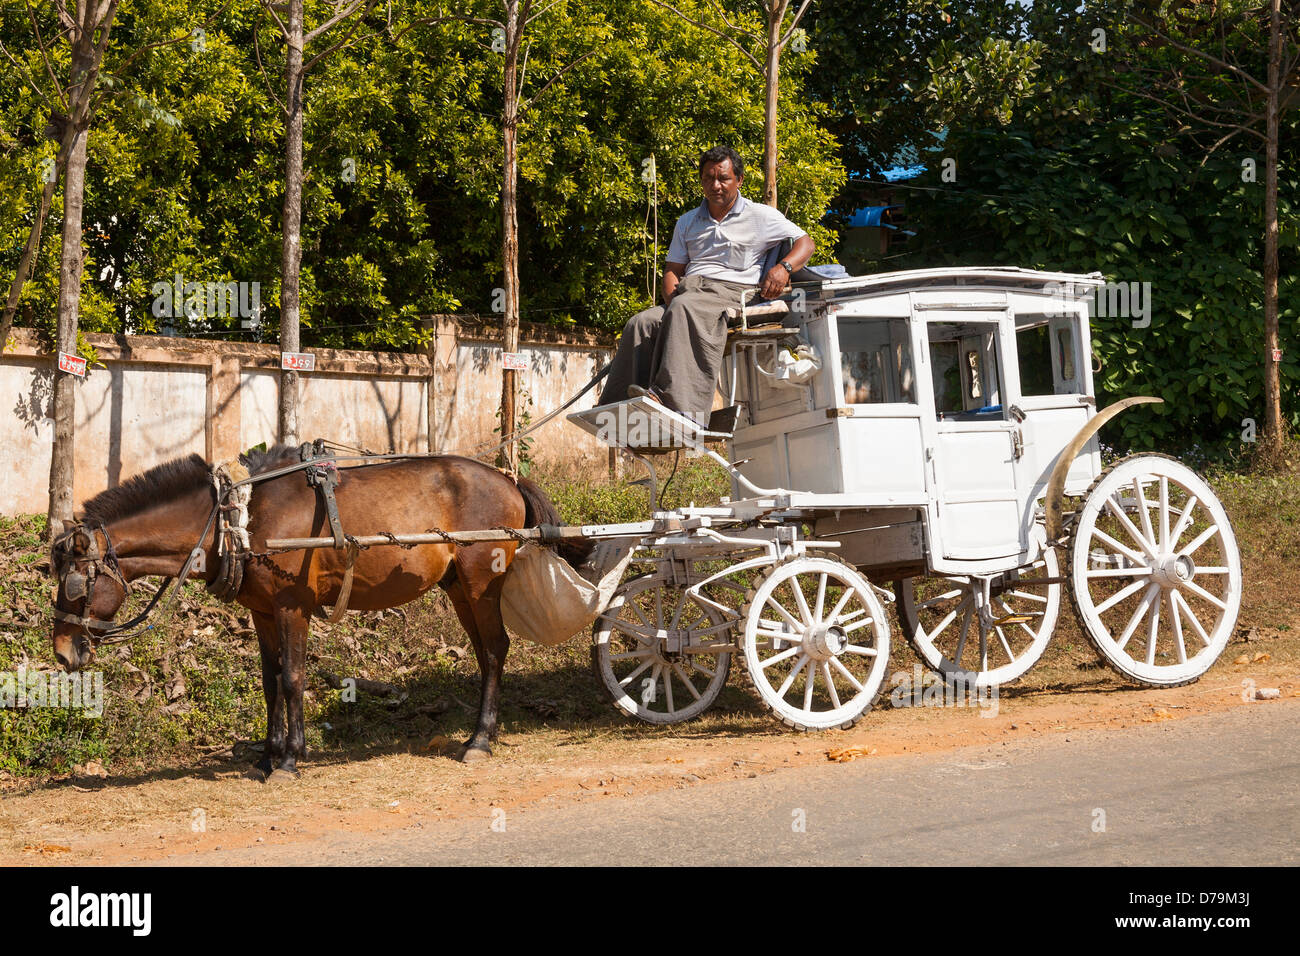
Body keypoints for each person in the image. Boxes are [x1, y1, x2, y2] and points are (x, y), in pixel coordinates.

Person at [598, 145, 815, 425]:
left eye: (723, 178)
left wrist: (783, 268)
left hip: (732, 292)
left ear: (739, 179)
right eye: (708, 178)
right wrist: (670, 295)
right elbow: (672, 270)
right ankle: (619, 411)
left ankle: (675, 404)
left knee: (685, 308)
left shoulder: (761, 215)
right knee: (640, 323)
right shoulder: (687, 221)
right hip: (690, 292)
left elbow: (806, 242)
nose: (715, 185)